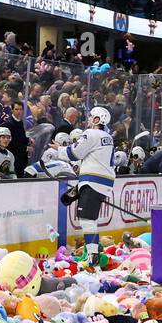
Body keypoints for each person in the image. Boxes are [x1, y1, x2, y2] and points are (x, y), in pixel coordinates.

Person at [59, 106, 116, 254]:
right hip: (100, 182)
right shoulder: (107, 137)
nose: (89, 119)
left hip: (93, 182)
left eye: (91, 117)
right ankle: (93, 254)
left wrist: (58, 149)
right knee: (89, 218)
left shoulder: (91, 133)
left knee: (87, 220)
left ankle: (93, 257)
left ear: (97, 119)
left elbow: (74, 153)